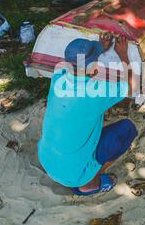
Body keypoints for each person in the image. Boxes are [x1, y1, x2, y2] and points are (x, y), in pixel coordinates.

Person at [38, 33, 138, 196]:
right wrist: (123, 54)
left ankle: (83, 175)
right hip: (74, 176)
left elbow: (78, 67)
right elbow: (131, 86)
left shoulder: (58, 77)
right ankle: (90, 182)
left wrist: (96, 52)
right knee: (127, 129)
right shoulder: (95, 92)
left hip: (48, 161)